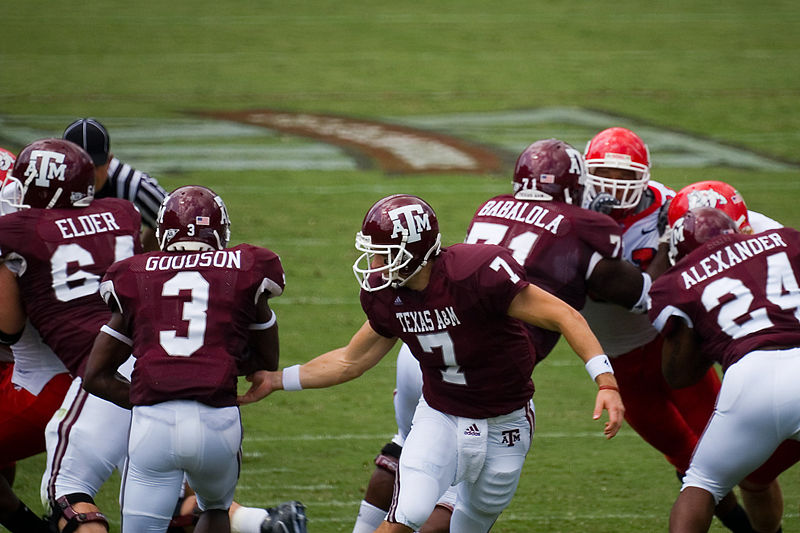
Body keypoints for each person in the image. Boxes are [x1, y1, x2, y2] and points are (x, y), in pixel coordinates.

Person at [240, 193, 624, 533]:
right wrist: (278, 379)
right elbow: (349, 359)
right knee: (408, 509)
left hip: (506, 420)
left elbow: (565, 316)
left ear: (415, 252)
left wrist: (605, 381)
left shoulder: (476, 273)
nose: (374, 263)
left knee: (472, 521)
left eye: (383, 253)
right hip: (440, 413)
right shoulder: (386, 297)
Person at [353, 139, 649, 533]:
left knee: (408, 466)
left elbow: (349, 358)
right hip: (478, 356)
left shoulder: (490, 206)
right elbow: (618, 290)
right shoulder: (584, 223)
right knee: (450, 496)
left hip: (421, 344)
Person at [82, 185, 307, 533]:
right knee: (215, 509)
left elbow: (95, 375)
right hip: (217, 422)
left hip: (152, 424)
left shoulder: (132, 273)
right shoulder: (248, 264)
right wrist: (221, 363)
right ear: (220, 231)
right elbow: (265, 359)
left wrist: (151, 398)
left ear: (164, 232)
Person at [579, 127, 754, 531]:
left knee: (738, 451)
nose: (613, 185)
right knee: (688, 459)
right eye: (604, 173)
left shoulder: (672, 205)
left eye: (625, 176)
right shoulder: (572, 210)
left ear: (645, 176)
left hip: (673, 345)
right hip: (618, 364)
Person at [0, 138, 143, 532]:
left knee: (67, 491)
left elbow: (6, 330)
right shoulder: (122, 212)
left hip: (87, 376)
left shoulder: (17, 231)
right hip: (163, 358)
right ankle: (259, 522)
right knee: (160, 495)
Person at [649, 207, 800, 533]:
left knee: (702, 484)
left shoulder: (678, 280)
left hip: (749, 377)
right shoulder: (785, 240)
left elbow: (678, 375)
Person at [0, 146, 69, 533]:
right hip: (106, 376)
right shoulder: (86, 230)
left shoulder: (15, 246)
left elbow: (6, 329)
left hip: (47, 383)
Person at [64, 117, 168, 251]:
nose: (89, 175)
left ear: (109, 161)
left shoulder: (131, 185)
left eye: (95, 166)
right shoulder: (47, 183)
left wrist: (142, 262)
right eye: (80, 166)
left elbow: (173, 221)